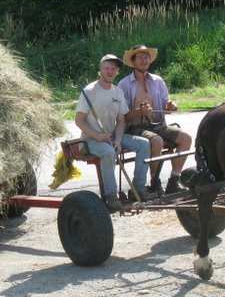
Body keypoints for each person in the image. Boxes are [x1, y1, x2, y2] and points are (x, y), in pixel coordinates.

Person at [75, 54, 157, 211]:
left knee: (144, 144)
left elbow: (121, 120)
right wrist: (97, 136)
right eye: (107, 68)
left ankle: (138, 188)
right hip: (90, 139)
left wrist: (118, 140)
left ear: (117, 71)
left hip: (112, 136)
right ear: (100, 70)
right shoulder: (89, 91)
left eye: (114, 68)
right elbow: (79, 120)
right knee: (108, 152)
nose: (110, 71)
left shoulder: (118, 92)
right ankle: (111, 197)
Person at [119, 44, 193, 195]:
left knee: (186, 138)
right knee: (157, 140)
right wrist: (139, 111)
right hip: (135, 128)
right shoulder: (124, 84)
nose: (144, 60)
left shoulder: (157, 80)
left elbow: (167, 104)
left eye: (146, 57)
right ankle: (155, 181)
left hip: (157, 125)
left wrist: (171, 106)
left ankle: (174, 180)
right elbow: (123, 116)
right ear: (133, 62)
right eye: (140, 57)